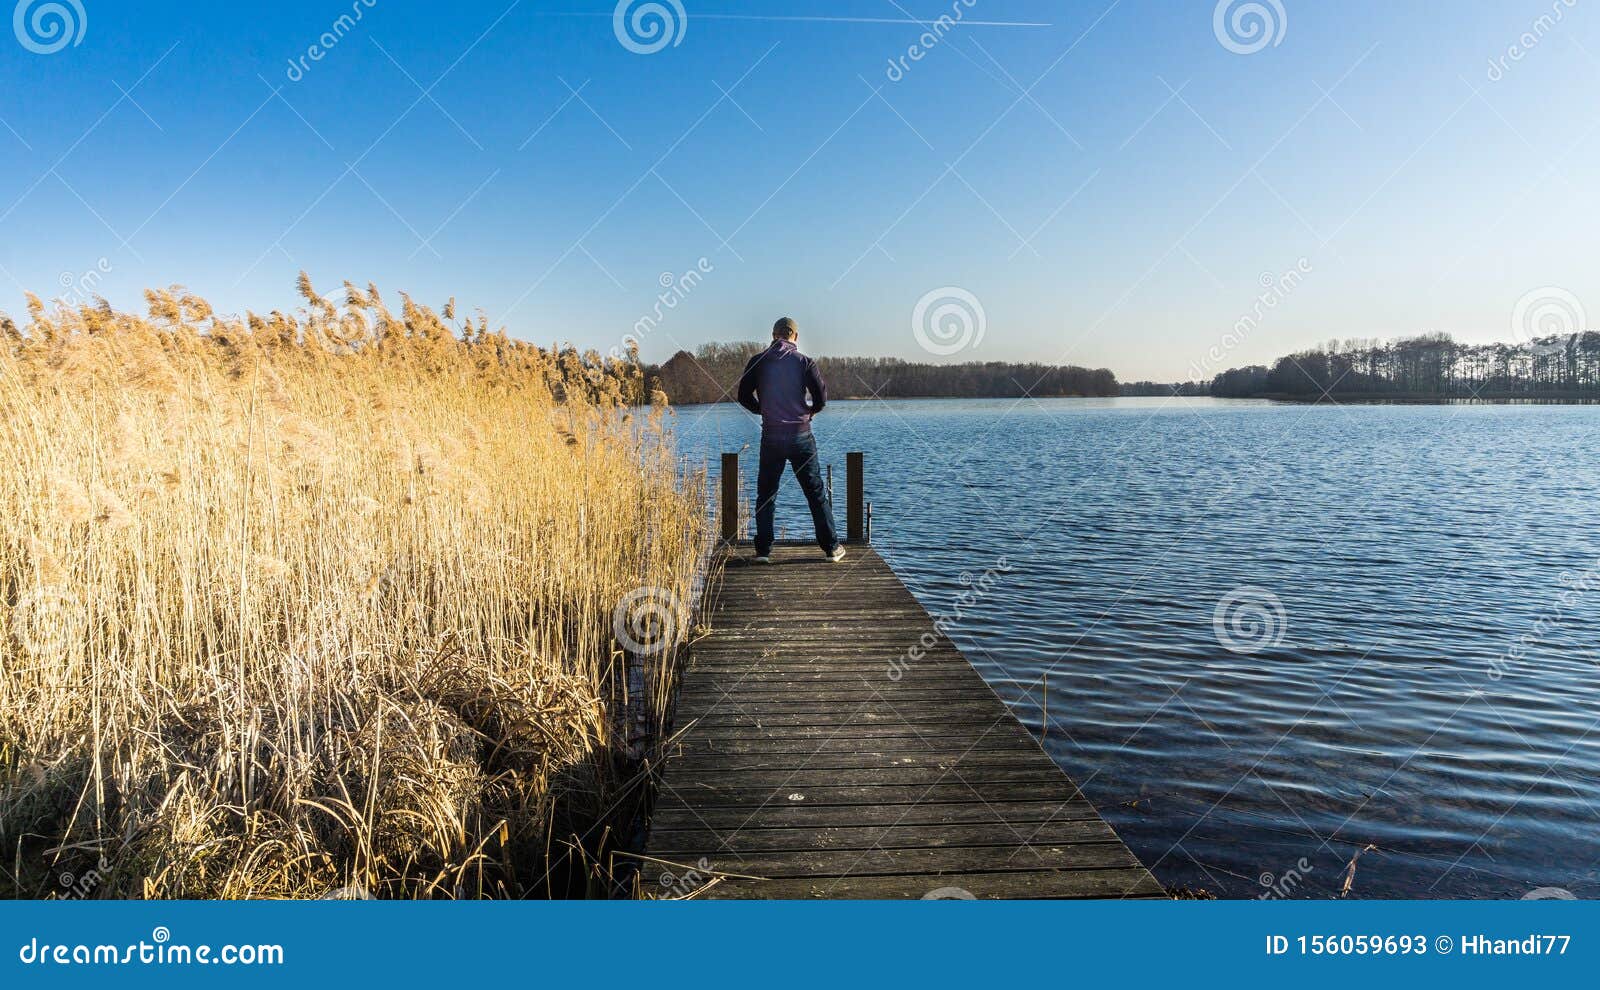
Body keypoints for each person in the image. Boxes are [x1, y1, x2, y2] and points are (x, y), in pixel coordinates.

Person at [736, 317, 846, 564]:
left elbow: (743, 395)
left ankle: (763, 551)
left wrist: (761, 409)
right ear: (795, 336)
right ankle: (831, 548)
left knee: (766, 495)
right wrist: (810, 412)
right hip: (801, 435)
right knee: (815, 492)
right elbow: (821, 397)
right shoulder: (804, 362)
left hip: (772, 435)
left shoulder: (758, 361)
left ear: (774, 335)